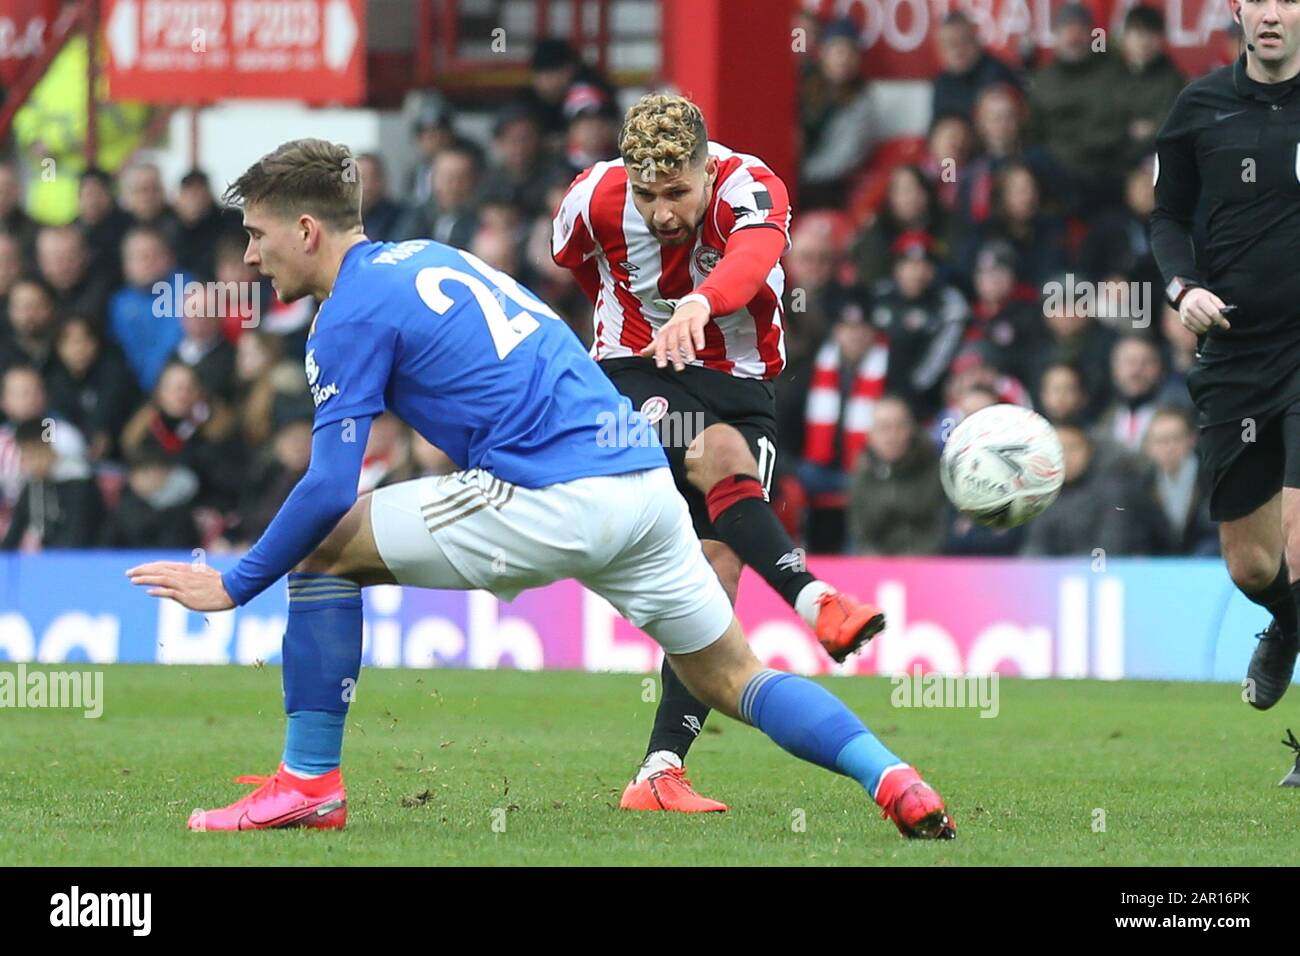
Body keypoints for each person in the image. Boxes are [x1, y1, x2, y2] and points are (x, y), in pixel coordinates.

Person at [126, 138, 955, 839]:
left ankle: (308, 783)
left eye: (256, 233)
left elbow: (326, 487)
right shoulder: (429, 256)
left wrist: (234, 584)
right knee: (730, 676)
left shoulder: (347, 312)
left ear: (305, 230)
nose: (247, 256)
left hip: (553, 494)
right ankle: (896, 781)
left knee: (321, 551)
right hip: (642, 487)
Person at [553, 94, 889, 812]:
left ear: (706, 170)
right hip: (637, 369)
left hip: (742, 384)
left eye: (677, 192)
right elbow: (574, 263)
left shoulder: (752, 185)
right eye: (647, 194)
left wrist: (702, 304)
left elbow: (755, 256)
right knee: (715, 453)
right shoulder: (591, 198)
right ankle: (815, 598)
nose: (662, 212)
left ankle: (660, 770)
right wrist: (622, 331)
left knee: (718, 566)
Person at [1151, 0, 1300, 712]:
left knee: (1299, 548)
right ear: (1237, 10)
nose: (1273, 13)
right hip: (1237, 350)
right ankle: (1287, 623)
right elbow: (1167, 217)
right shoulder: (1200, 106)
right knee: (1252, 565)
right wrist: (1183, 289)